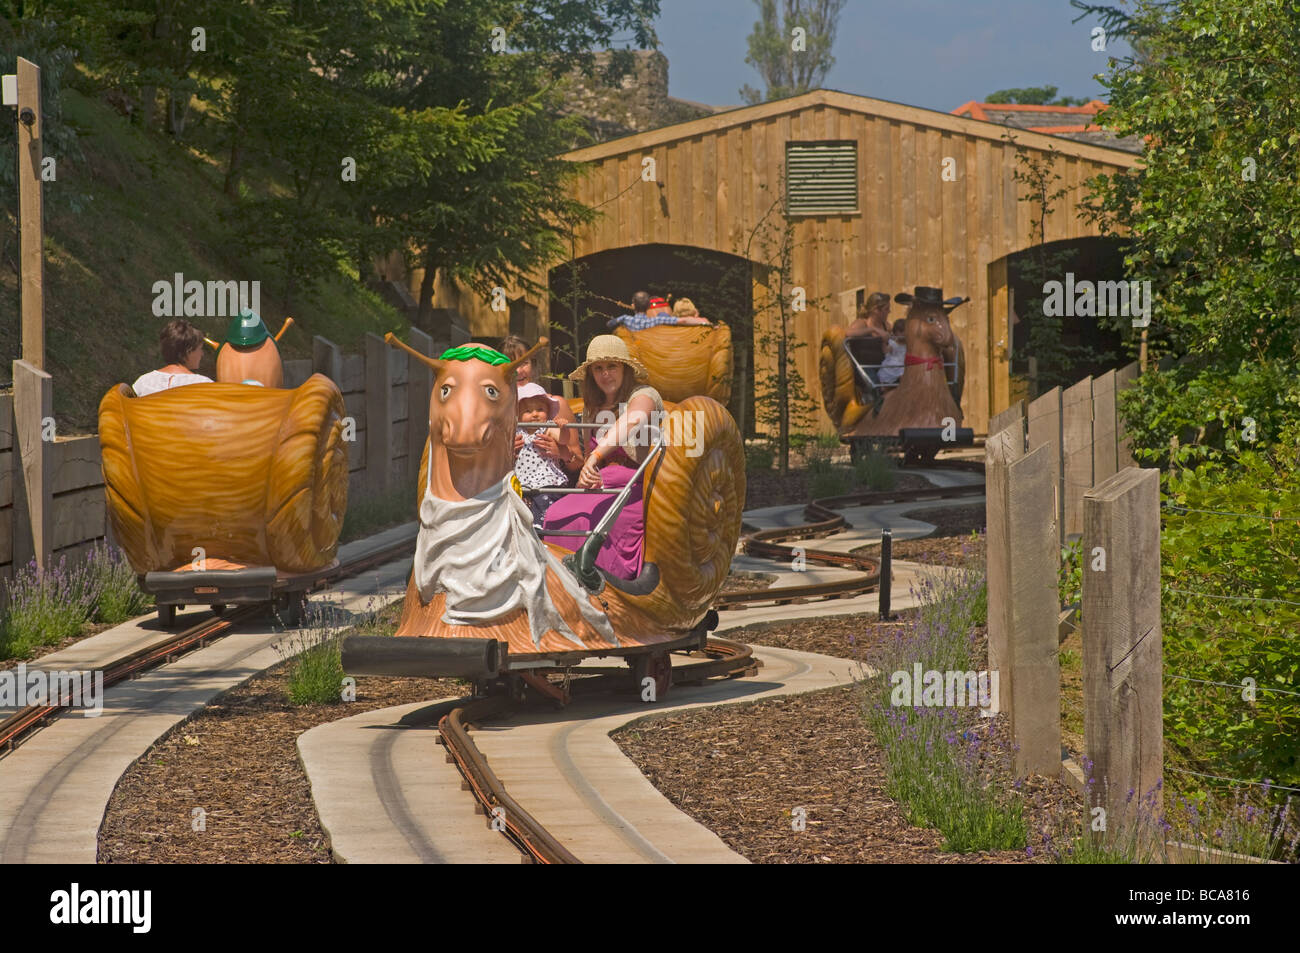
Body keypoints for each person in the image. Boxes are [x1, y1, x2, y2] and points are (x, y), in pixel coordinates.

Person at [542, 335, 664, 581]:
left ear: (625, 369)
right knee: (555, 516)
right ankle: (560, 586)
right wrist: (588, 473)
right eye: (598, 368)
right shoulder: (591, 407)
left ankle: (607, 589)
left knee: (593, 522)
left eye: (612, 366)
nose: (605, 374)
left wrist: (595, 457)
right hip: (601, 484)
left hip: (637, 486)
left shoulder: (644, 394)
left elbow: (633, 419)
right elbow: (588, 457)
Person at [501, 334, 581, 472]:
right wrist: (502, 454)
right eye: (511, 364)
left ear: (533, 365)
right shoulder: (492, 408)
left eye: (524, 363)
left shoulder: (556, 404)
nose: (518, 371)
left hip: (549, 489)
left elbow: (578, 463)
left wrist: (562, 453)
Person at [514, 383, 573, 526]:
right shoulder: (516, 432)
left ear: (548, 411)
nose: (535, 414)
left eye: (540, 409)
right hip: (523, 481)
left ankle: (543, 526)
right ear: (518, 415)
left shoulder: (547, 428)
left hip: (546, 479)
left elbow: (564, 440)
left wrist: (563, 428)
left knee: (544, 501)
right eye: (528, 411)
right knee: (521, 506)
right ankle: (529, 527)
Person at [131, 318, 212, 396]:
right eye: (200, 349)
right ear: (189, 351)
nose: (202, 354)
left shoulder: (143, 382)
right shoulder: (204, 385)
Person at [607, 290, 710, 331]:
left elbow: (610, 324)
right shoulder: (656, 321)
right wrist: (704, 322)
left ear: (633, 306)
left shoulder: (626, 319)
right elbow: (683, 321)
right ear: (648, 306)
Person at [878, 318, 907, 387]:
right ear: (896, 333)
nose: (904, 335)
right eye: (901, 332)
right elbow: (886, 351)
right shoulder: (893, 343)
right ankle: (882, 390)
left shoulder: (908, 344)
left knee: (904, 374)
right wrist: (883, 342)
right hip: (894, 363)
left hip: (903, 363)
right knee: (887, 376)